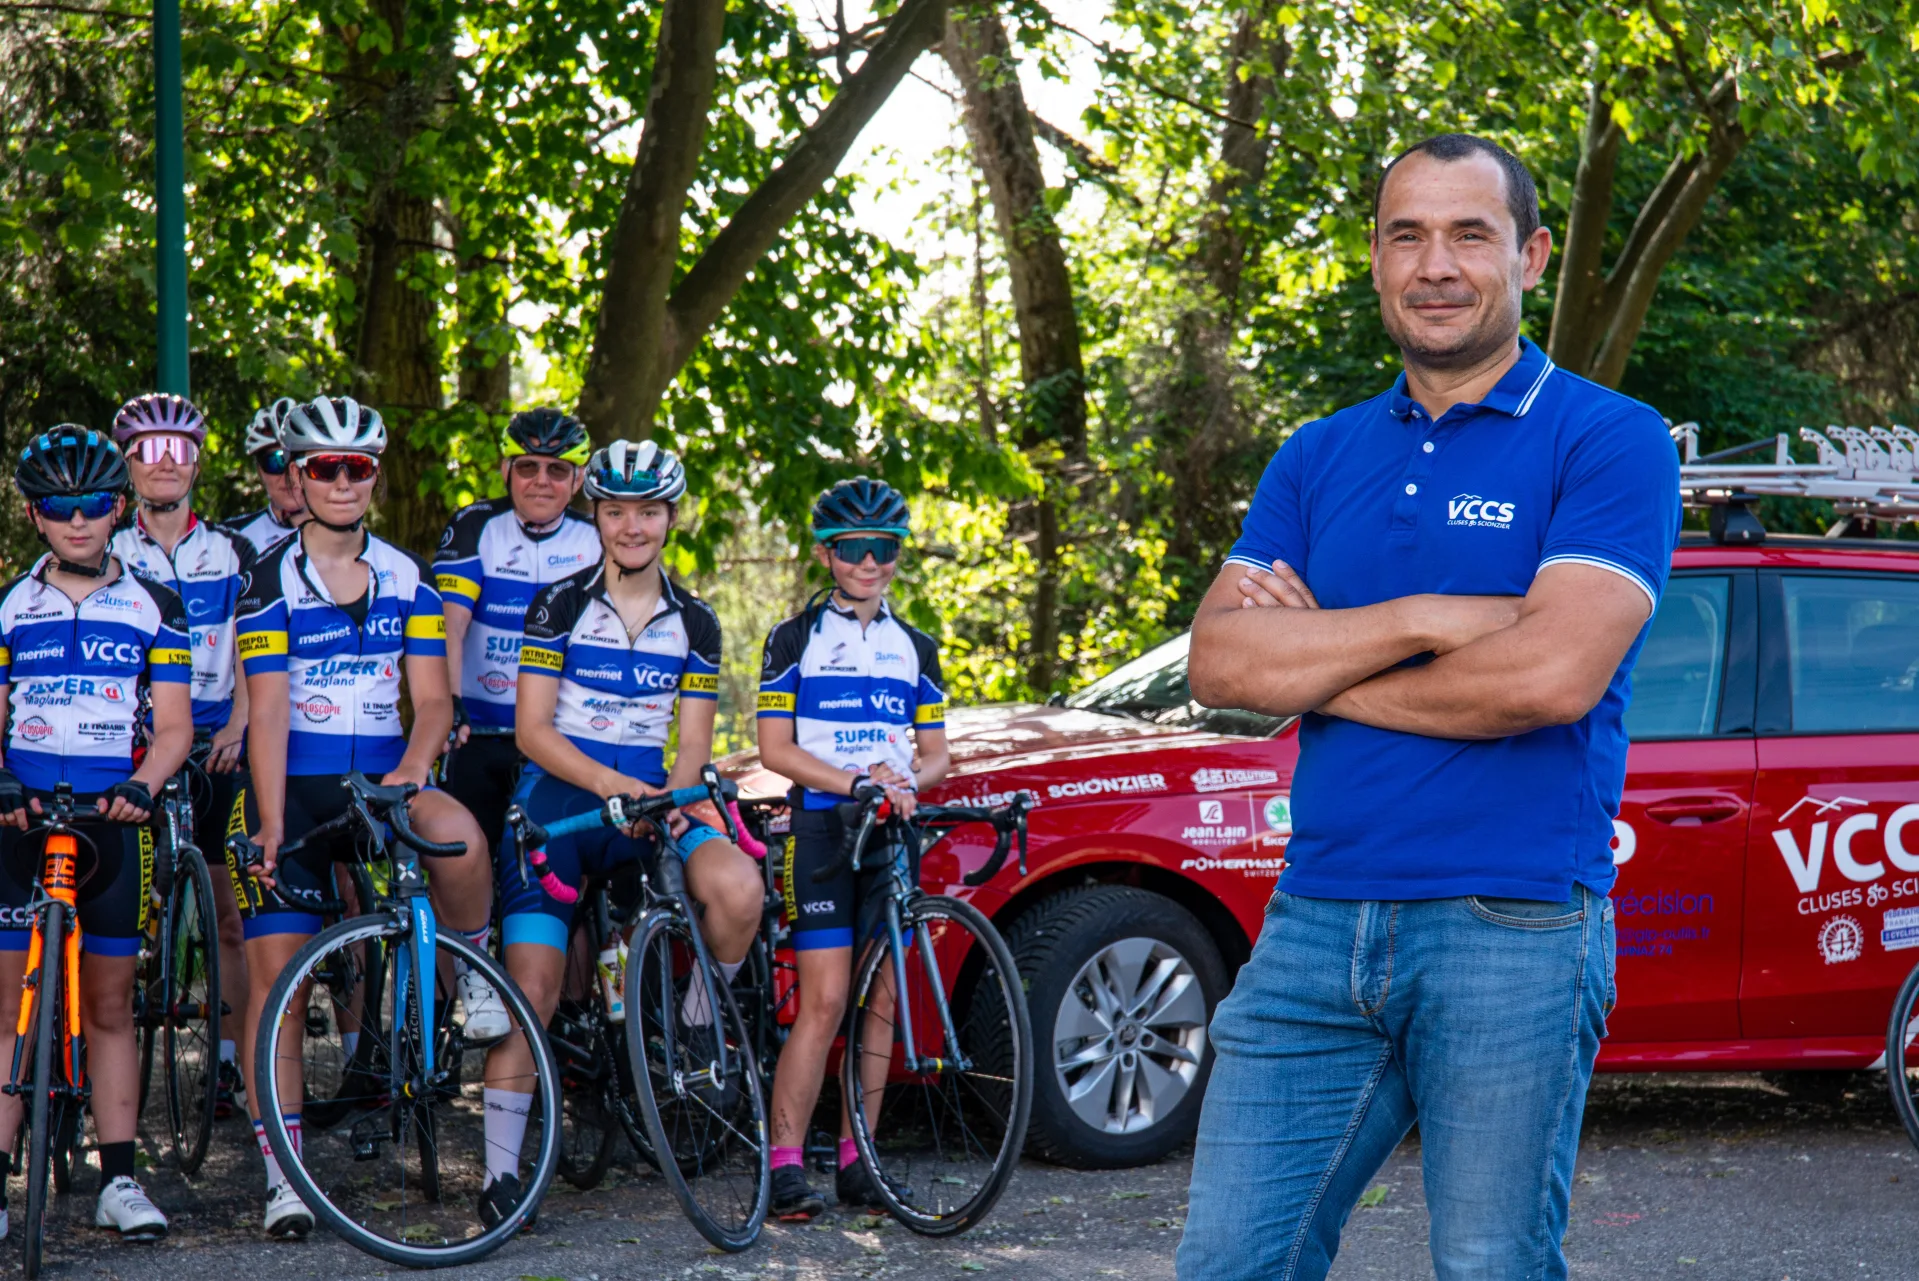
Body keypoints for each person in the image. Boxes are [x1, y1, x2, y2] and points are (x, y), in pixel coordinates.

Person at [1174, 134, 1680, 1281]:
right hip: (1313, 923)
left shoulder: (1607, 440)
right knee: (1227, 1262)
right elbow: (1219, 664)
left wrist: (1316, 668)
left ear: (1531, 255)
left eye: (1468, 233)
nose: (1435, 264)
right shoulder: (1314, 456)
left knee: (1490, 1267)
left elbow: (1548, 681)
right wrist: (1424, 615)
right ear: (1373, 258)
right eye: (1407, 234)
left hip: (1510, 926)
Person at [230, 394, 504, 1239]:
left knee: (459, 834)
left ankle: (475, 974)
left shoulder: (408, 575)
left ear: (373, 476)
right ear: (300, 476)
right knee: (277, 979)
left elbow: (431, 697)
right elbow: (268, 715)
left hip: (385, 772)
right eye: (324, 467)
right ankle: (284, 1174)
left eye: (358, 467)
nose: (343, 481)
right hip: (295, 779)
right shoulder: (266, 578)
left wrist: (414, 769)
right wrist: (271, 822)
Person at [483, 439, 762, 1227]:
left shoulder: (696, 620)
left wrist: (683, 799)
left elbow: (694, 750)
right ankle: (501, 1178)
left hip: (647, 808)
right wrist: (613, 786)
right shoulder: (559, 605)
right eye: (614, 510)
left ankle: (699, 1026)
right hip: (559, 813)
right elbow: (533, 732)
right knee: (531, 991)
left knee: (740, 887)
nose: (631, 526)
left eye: (647, 511)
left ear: (669, 517)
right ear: (595, 514)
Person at [0, 427, 194, 1241]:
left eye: (91, 507)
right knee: (8, 1003)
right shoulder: (10, 603)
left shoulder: (156, 603)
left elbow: (177, 724)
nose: (76, 523)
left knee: (111, 1007)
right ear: (36, 516)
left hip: (112, 820)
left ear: (116, 508)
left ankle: (120, 1177)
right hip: (23, 817)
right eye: (57, 508)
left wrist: (143, 787)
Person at [756, 476, 950, 1221]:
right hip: (821, 830)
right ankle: (782, 1162)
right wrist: (851, 781)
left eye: (884, 549)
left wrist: (904, 780)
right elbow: (775, 747)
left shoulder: (916, 647)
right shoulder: (795, 637)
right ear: (827, 554)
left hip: (889, 832)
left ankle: (856, 1159)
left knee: (882, 1000)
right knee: (826, 998)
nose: (869, 563)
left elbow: (934, 755)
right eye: (853, 550)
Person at [106, 392, 253, 1117]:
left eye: (179, 449)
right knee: (123, 922)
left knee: (230, 917)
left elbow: (263, 649)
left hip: (219, 740)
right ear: (129, 465)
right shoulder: (107, 548)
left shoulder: (232, 550)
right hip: (135, 746)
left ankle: (224, 1063)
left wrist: (242, 724)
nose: (166, 463)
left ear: (198, 460)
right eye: (149, 450)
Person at [433, 407, 598, 870]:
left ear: (578, 478)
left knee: (568, 876)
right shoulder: (475, 525)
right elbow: (451, 622)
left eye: (558, 470)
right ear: (506, 470)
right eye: (527, 466)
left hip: (562, 741)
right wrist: (447, 701)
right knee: (469, 866)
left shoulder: (597, 538)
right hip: (478, 733)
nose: (541, 480)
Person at [218, 399, 307, 556]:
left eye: (298, 461)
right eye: (276, 461)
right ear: (259, 470)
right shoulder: (228, 540)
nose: (289, 475)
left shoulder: (352, 538)